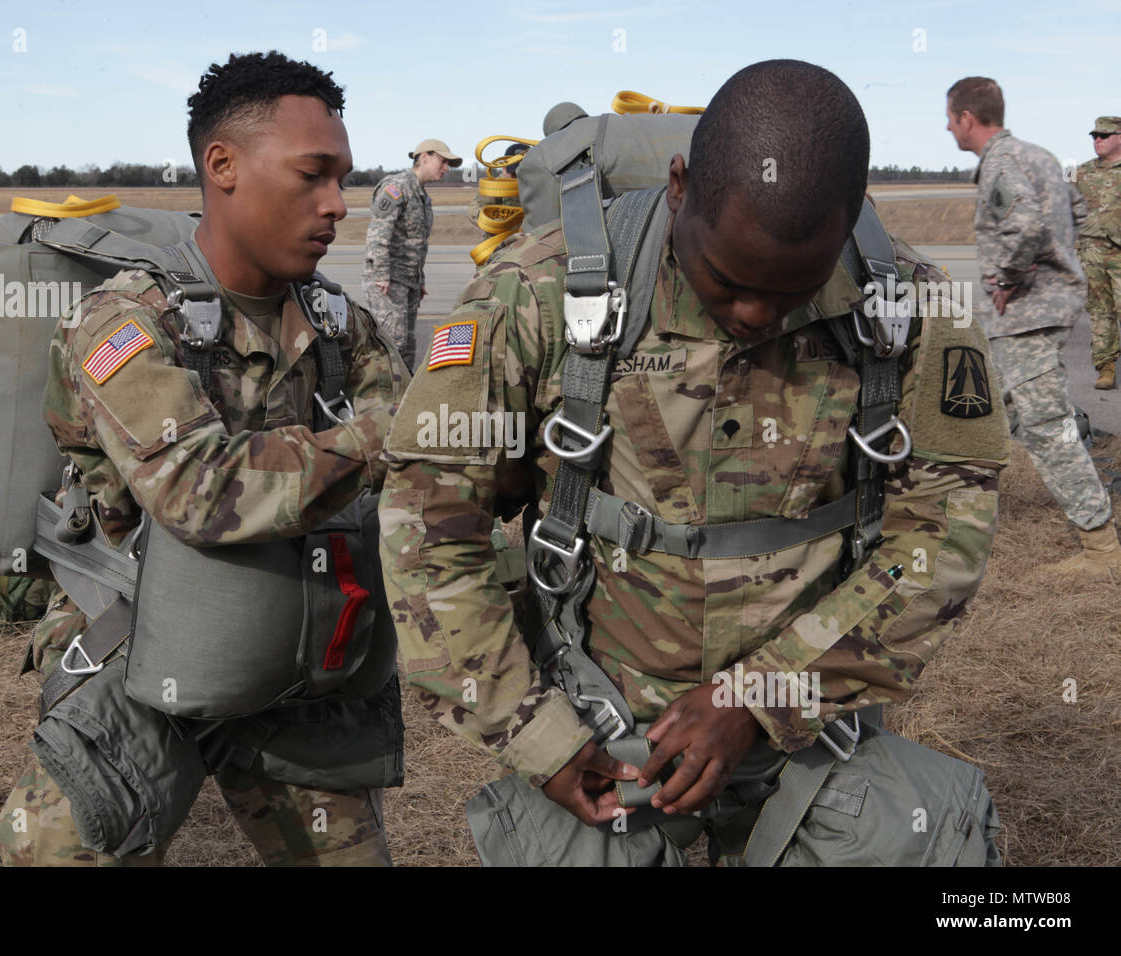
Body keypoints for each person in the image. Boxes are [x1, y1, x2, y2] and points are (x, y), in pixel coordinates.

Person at [379, 60, 1007, 865]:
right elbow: (427, 534)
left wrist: (766, 693)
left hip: (812, 722)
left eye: (792, 293)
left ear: (853, 219)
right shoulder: (535, 297)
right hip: (599, 728)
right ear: (680, 187)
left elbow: (943, 542)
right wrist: (536, 736)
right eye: (729, 280)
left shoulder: (912, 310)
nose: (753, 316)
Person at [0, 51, 408, 866]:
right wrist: (381, 436)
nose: (338, 206)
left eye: (345, 180)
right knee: (51, 852)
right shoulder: (123, 324)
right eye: (313, 175)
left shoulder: (338, 324)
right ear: (221, 166)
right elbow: (200, 491)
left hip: (303, 649)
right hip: (148, 650)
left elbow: (425, 468)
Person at [946, 77, 1120, 577]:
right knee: (991, 402)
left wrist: (1007, 276)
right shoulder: (1038, 155)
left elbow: (1025, 223)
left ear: (966, 119)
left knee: (1046, 427)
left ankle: (1101, 550)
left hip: (1029, 313)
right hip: (1048, 305)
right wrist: (1063, 262)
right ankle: (963, 506)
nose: (947, 126)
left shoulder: (1001, 161)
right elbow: (1079, 208)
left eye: (949, 117)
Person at [363, 138, 462, 368]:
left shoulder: (422, 196)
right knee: (392, 345)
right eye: (443, 161)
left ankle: (403, 399)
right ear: (424, 156)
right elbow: (378, 235)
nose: (446, 168)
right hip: (388, 282)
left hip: (408, 282)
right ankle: (381, 399)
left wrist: (420, 281)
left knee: (407, 346)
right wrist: (380, 275)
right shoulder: (396, 187)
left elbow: (417, 244)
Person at [1075, 116, 1121, 389]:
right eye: (1094, 136)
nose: (1097, 140)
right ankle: (1106, 368)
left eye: (1104, 135)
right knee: (1099, 311)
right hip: (1091, 252)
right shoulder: (1079, 172)